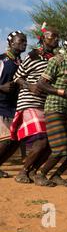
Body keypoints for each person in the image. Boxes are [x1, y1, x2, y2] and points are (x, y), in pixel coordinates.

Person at [9, 23, 59, 185]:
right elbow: (17, 77)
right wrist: (29, 85)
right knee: (42, 141)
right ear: (43, 39)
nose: (56, 40)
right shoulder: (33, 56)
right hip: (29, 101)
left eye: (57, 37)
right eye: (52, 37)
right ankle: (23, 172)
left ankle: (33, 172)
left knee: (51, 143)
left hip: (46, 104)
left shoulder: (55, 59)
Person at [34, 32, 67, 186]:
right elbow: (41, 84)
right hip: (55, 107)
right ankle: (40, 175)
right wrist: (63, 92)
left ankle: (57, 174)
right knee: (60, 147)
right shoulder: (57, 60)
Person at [0, 31, 27, 178]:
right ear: (11, 43)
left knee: (16, 140)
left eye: (25, 40)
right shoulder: (2, 60)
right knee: (6, 140)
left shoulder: (20, 63)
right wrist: (1, 87)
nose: (24, 43)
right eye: (21, 40)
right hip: (1, 106)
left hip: (14, 107)